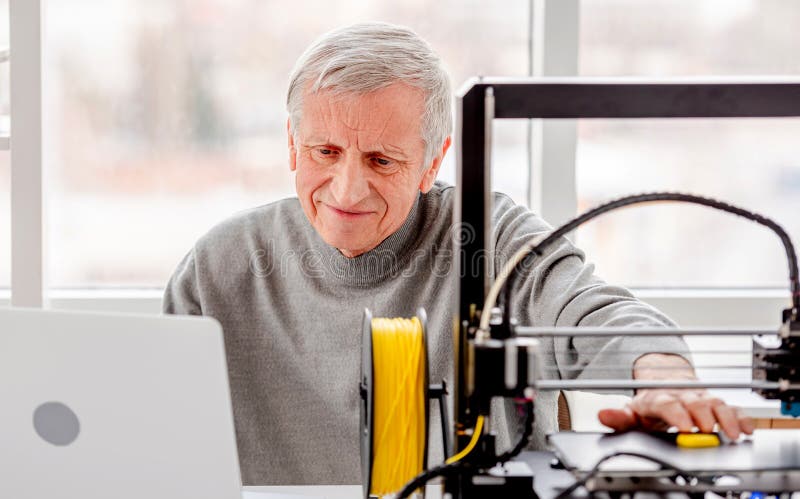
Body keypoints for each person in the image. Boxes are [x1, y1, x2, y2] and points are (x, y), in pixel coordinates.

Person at [163, 22, 753, 485]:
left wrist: (661, 372)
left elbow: (591, 310)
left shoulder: (487, 233)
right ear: (291, 146)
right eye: (324, 151)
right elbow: (159, 441)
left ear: (433, 161)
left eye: (381, 161)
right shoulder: (218, 269)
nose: (346, 190)